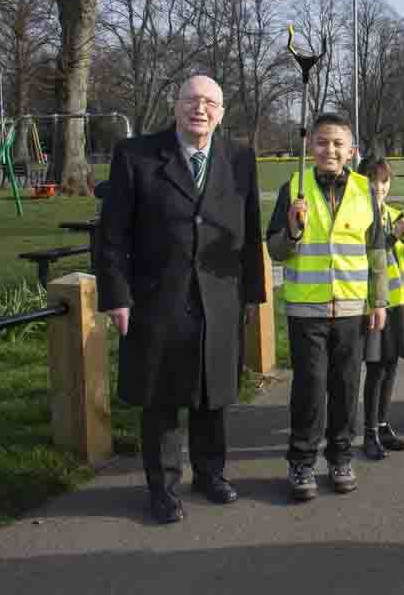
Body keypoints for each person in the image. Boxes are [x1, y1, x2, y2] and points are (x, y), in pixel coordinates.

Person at [97, 74, 266, 524]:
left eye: (211, 102)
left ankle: (210, 474)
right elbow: (111, 236)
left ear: (222, 112)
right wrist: (117, 295)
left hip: (219, 297)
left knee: (213, 393)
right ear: (175, 105)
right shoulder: (136, 156)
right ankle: (162, 487)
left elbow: (250, 234)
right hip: (157, 298)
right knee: (161, 397)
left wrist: (252, 295)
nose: (200, 109)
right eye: (192, 100)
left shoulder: (240, 159)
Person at [267, 113, 386, 501]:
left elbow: (377, 250)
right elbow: (276, 249)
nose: (330, 150)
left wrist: (379, 299)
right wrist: (293, 230)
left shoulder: (365, 190)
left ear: (352, 151)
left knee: (346, 386)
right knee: (310, 387)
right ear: (310, 146)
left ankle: (340, 456)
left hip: (352, 309)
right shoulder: (294, 187)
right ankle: (302, 461)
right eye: (322, 142)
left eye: (338, 144)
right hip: (307, 310)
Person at [357, 155, 404, 459]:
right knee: (375, 369)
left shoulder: (393, 215)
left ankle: (383, 425)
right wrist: (389, 238)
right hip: (372, 303)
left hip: (396, 302)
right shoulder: (359, 216)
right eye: (372, 180)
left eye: (383, 181)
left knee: (390, 365)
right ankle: (369, 431)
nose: (378, 187)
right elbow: (370, 254)